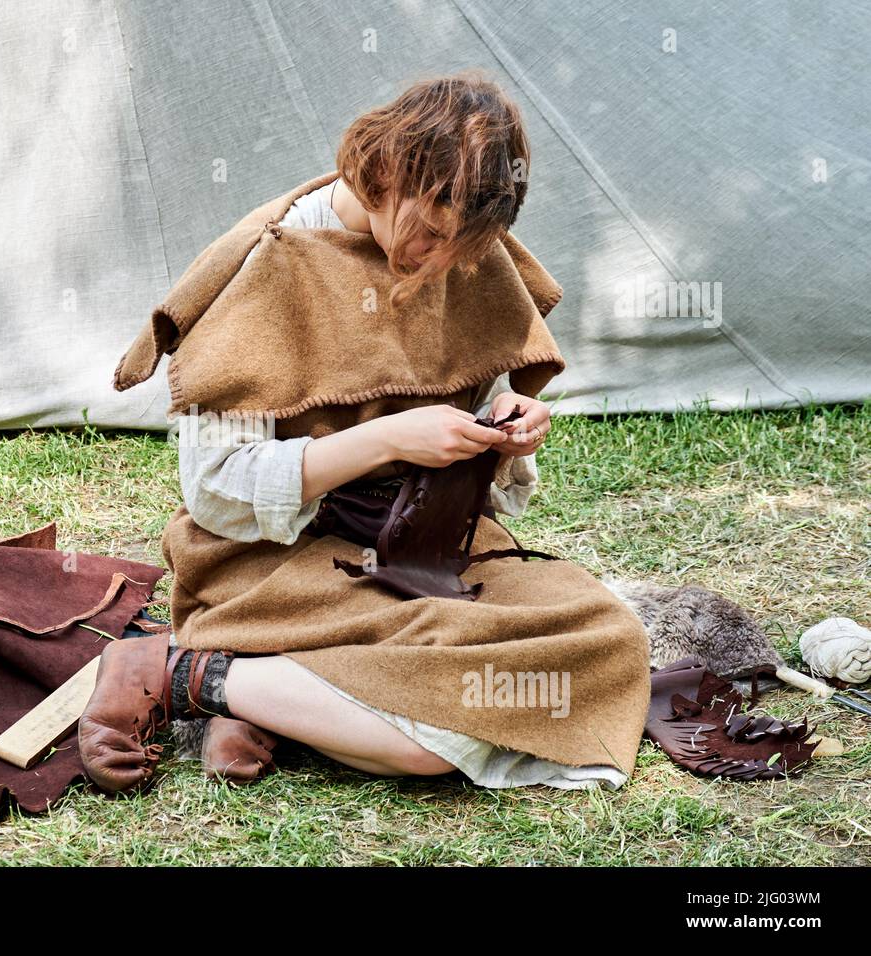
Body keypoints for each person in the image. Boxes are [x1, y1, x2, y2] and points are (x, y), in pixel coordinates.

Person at [81, 70, 651, 794]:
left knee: (605, 639)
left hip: (425, 555)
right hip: (277, 561)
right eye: (432, 233)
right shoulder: (274, 262)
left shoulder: (466, 250)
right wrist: (387, 441)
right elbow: (215, 492)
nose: (439, 262)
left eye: (461, 250)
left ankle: (272, 694)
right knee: (433, 741)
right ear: (386, 171)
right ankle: (182, 671)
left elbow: (488, 422)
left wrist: (505, 433)